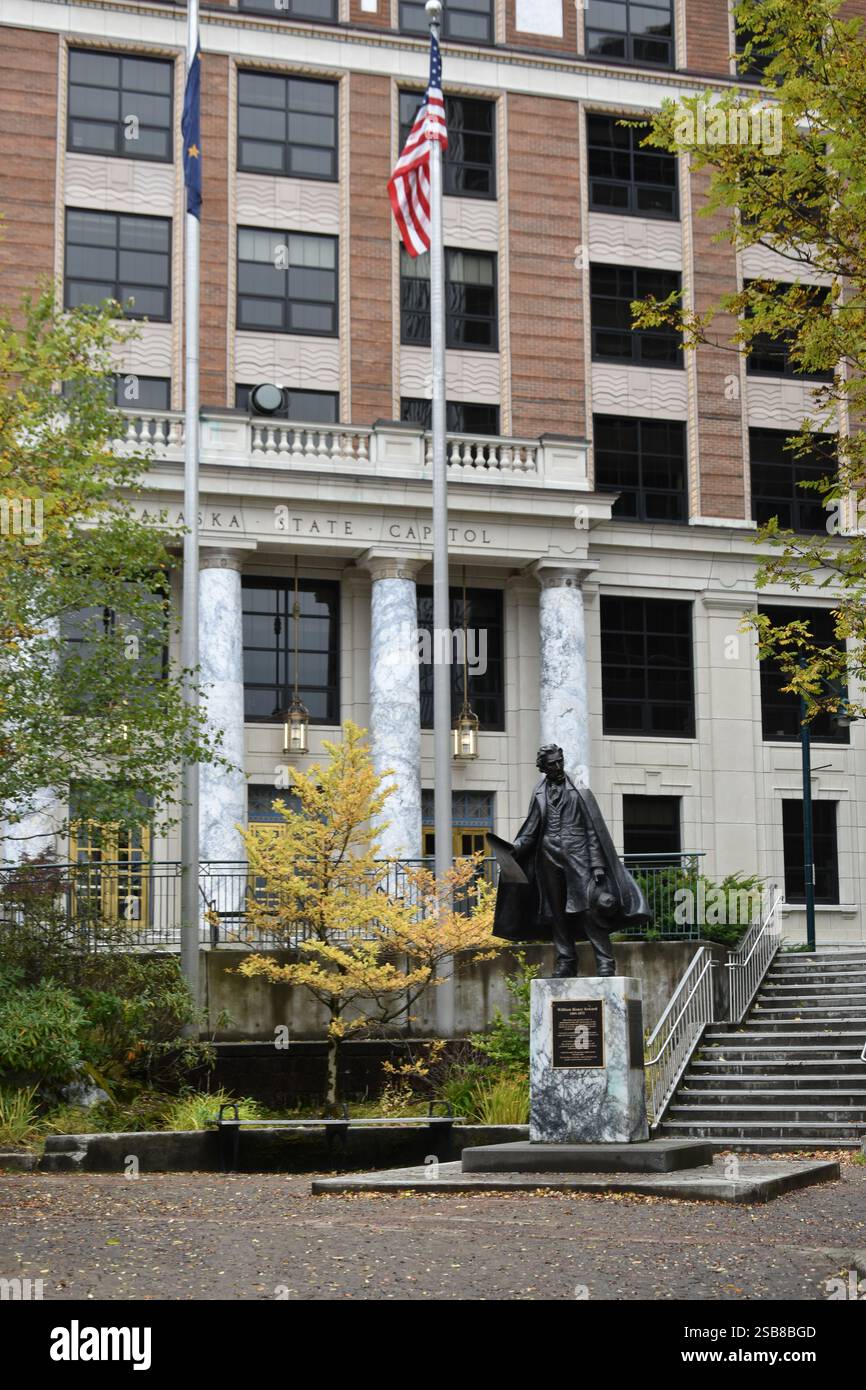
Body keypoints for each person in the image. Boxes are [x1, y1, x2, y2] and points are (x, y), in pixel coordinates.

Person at [490, 744, 651, 978]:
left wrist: (597, 865)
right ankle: (566, 961)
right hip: (548, 859)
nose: (557, 766)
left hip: (580, 858)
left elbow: (593, 830)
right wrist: (515, 848)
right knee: (557, 913)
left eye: (559, 761)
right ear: (543, 767)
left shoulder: (579, 791)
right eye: (552, 763)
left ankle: (605, 962)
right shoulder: (539, 793)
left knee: (590, 909)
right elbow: (531, 830)